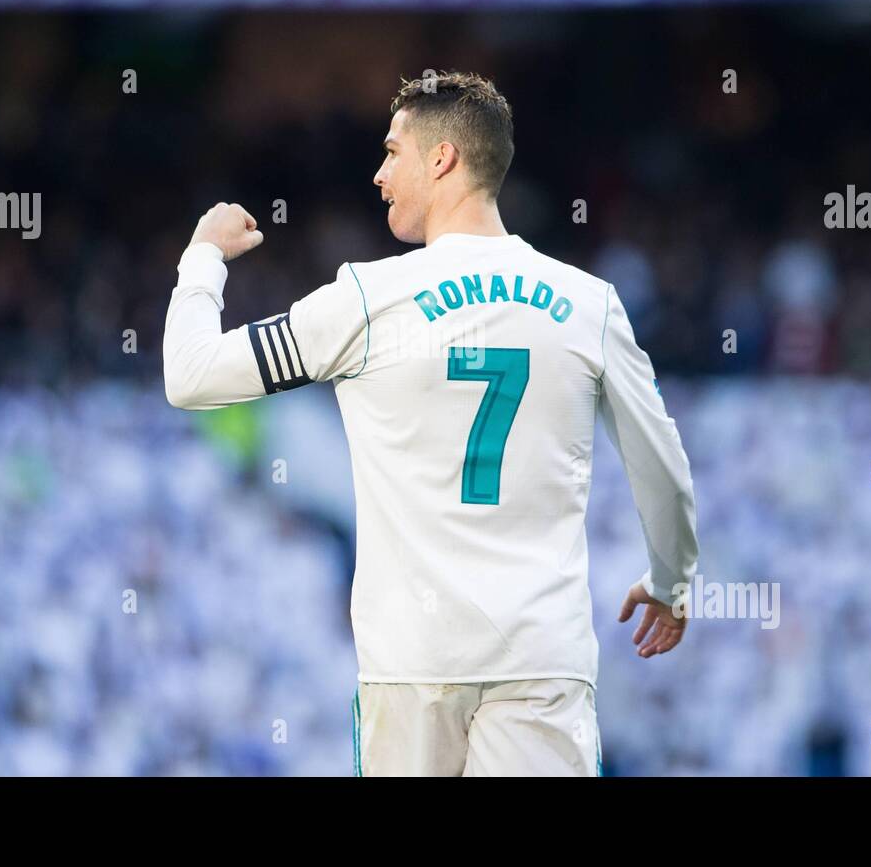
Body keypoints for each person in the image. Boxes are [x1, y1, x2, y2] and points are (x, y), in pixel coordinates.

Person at [163, 71, 700, 776]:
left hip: (412, 664)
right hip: (541, 660)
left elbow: (190, 375)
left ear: (441, 158)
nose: (380, 173)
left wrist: (202, 258)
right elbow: (661, 467)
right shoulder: (589, 304)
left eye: (392, 151)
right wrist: (672, 582)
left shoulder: (367, 297)